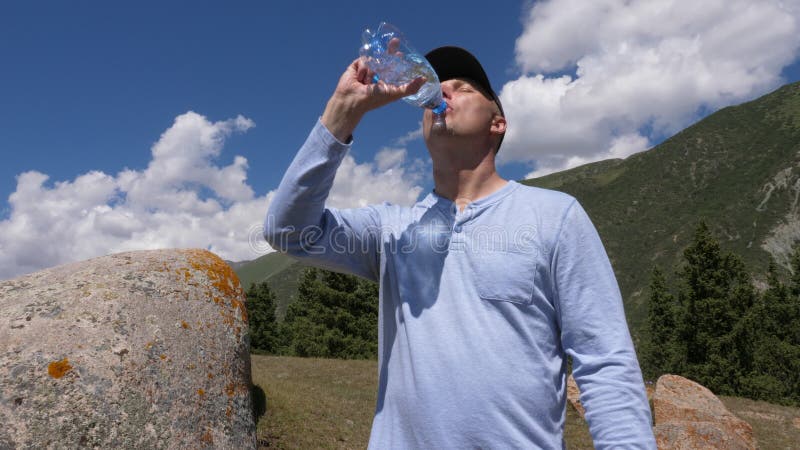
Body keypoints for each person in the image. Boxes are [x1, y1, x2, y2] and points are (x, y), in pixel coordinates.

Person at [264, 46, 656, 449]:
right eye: (437, 86)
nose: (442, 93)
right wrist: (342, 112)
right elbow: (288, 231)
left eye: (462, 88)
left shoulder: (555, 216)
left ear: (498, 123)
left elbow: (604, 360)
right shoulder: (391, 230)